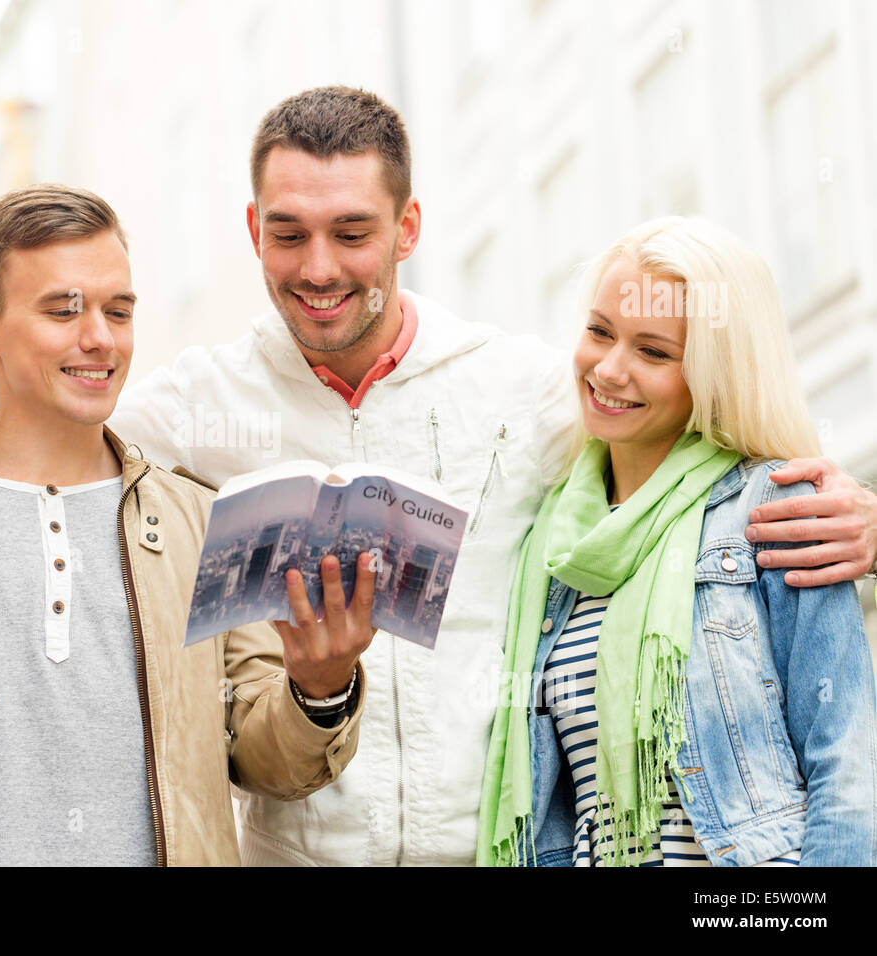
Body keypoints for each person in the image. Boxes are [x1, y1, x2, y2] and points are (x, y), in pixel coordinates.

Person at [107, 85, 877, 865]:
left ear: (407, 228)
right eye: (289, 233)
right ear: (253, 230)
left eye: (351, 232)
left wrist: (868, 519)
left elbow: (699, 444)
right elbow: (41, 462)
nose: (319, 267)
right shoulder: (192, 409)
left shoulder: (526, 389)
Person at [0, 184, 375, 865]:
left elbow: (268, 763)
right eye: (63, 310)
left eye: (117, 311)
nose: (99, 338)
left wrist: (320, 689)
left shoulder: (206, 521)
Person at [477, 217, 877, 866]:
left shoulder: (774, 508)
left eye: (653, 352)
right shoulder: (551, 548)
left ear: (711, 375)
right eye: (599, 332)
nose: (608, 370)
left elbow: (848, 766)